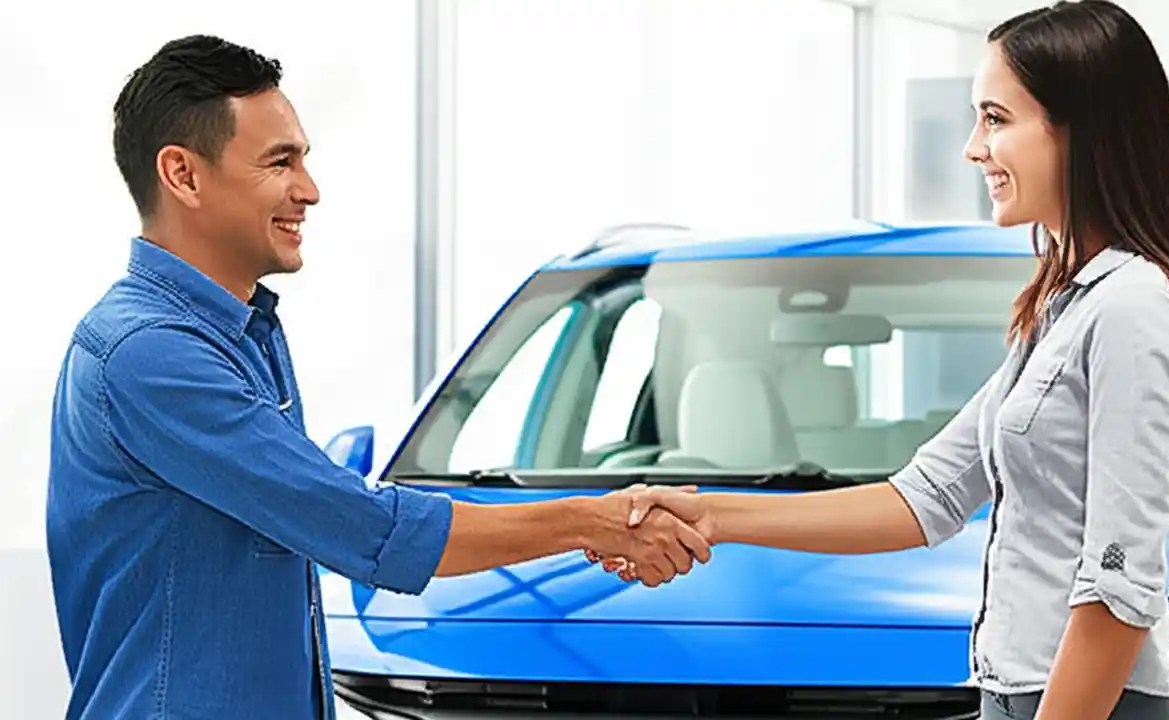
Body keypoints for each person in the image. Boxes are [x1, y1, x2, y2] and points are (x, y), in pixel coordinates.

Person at [590, 2, 1169, 719]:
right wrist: (707, 514)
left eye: (995, 119)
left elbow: (1119, 588)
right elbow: (922, 498)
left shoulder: (1135, 309)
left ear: (1078, 131)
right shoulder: (1062, 308)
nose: (972, 147)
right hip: (1017, 690)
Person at [45, 35, 708, 720]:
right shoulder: (150, 354)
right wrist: (591, 520)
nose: (309, 190)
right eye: (281, 162)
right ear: (183, 175)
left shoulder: (242, 332)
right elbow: (366, 529)